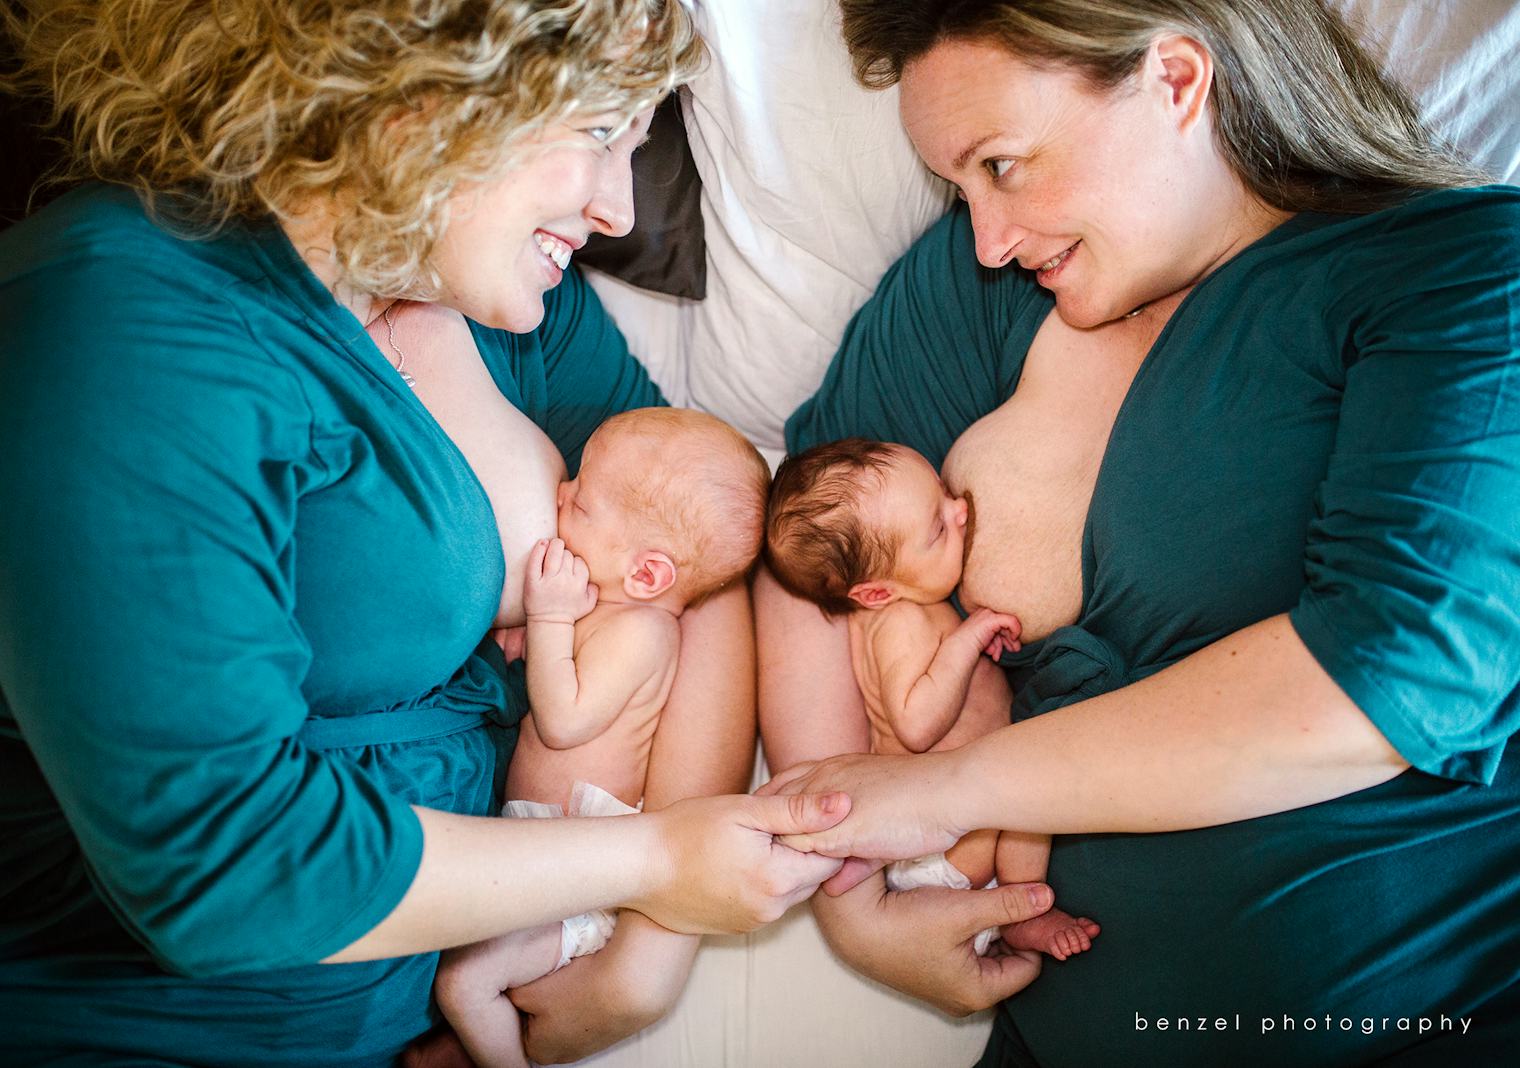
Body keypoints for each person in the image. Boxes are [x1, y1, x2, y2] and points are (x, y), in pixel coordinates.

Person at [0, 3, 851, 1065]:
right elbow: (227, 868)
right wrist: (653, 864)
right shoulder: (128, 332)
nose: (620, 210)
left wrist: (651, 947)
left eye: (637, 145)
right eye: (598, 133)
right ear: (424, 93)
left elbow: (699, 547)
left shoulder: (493, 296)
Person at [755, 1, 1520, 1065]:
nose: (986, 235)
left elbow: (1392, 674)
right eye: (958, 188)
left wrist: (933, 795)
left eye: (1001, 165)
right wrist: (848, 878)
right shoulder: (987, 287)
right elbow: (804, 551)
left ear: (1175, 80)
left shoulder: (1458, 271)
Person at [434, 406, 771, 1068]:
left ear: (647, 574)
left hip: (580, 880)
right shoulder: (615, 612)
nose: (560, 495)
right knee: (458, 963)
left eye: (580, 502)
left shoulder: (643, 633)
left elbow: (563, 721)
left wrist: (549, 616)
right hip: (547, 857)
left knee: (464, 982)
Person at [764, 437, 1097, 961]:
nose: (960, 510)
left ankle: (1012, 912)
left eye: (942, 492)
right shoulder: (897, 621)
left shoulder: (907, 605)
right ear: (877, 592)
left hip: (954, 821)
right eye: (938, 528)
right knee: (1031, 797)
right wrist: (968, 640)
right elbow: (916, 723)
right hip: (942, 838)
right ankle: (1024, 911)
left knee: (1025, 791)